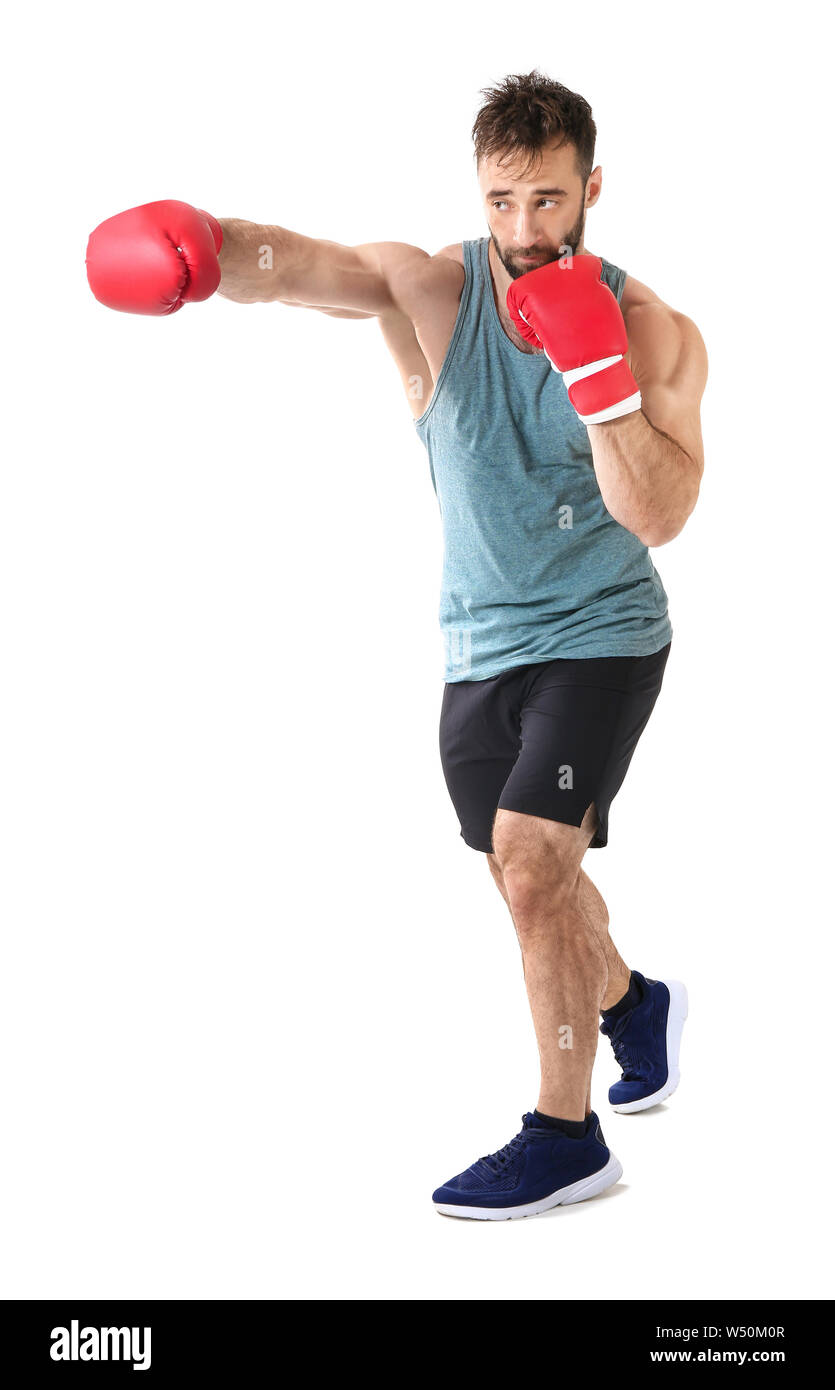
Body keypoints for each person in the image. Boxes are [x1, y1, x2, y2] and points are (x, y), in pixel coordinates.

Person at [86, 70, 708, 1222]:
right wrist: (210, 255)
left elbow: (662, 514)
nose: (524, 230)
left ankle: (566, 1136)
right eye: (503, 200)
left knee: (530, 867)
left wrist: (601, 385)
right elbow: (306, 262)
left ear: (593, 189)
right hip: (477, 645)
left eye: (549, 201)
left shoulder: (652, 327)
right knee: (536, 883)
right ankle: (632, 1002)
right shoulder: (433, 291)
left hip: (604, 635)